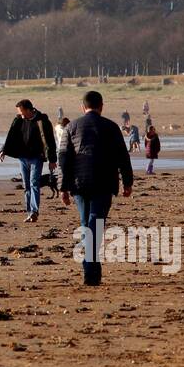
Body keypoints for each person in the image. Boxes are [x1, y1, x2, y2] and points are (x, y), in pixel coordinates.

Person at [59, 91, 133, 287]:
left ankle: (91, 271)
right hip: (104, 181)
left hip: (79, 183)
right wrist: (128, 182)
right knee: (95, 223)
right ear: (101, 106)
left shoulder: (71, 127)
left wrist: (63, 188)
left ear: (83, 107)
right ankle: (91, 269)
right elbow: (122, 157)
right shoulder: (111, 127)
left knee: (88, 225)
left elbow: (64, 159)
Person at [0, 99, 57, 223]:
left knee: (34, 183)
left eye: (22, 112)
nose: (21, 114)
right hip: (22, 157)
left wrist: (52, 160)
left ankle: (34, 211)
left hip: (37, 157)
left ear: (29, 110)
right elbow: (11, 135)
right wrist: (4, 150)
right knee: (26, 186)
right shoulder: (19, 120)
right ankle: (30, 212)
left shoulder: (42, 121)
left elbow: (50, 141)